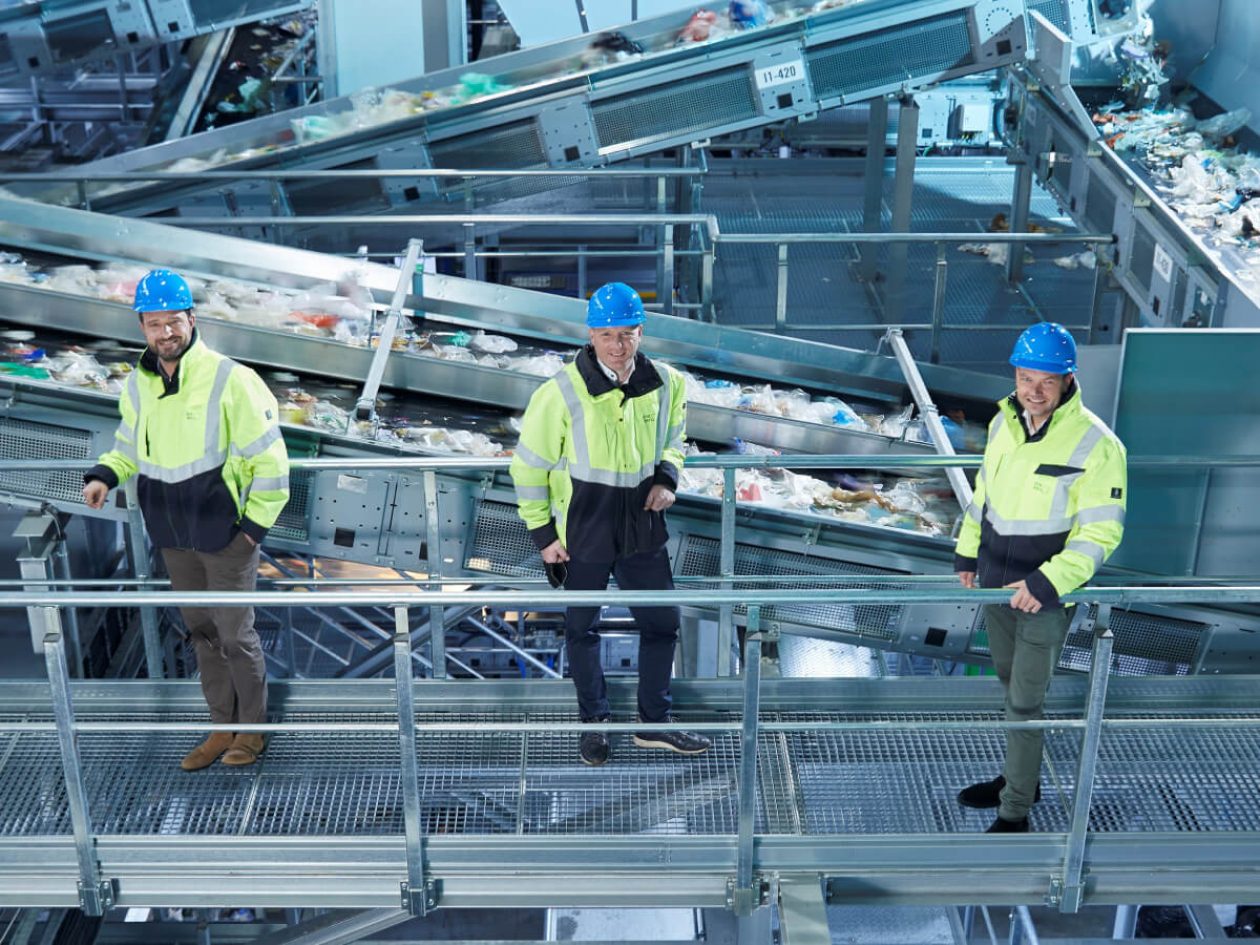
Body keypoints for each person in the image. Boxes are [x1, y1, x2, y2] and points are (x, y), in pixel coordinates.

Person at [82, 269, 289, 770]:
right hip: (173, 536)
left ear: (192, 319)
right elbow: (129, 444)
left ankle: (251, 733)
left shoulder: (232, 379)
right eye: (155, 324)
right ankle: (221, 727)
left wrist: (250, 533)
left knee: (236, 637)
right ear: (142, 327)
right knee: (203, 635)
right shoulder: (139, 383)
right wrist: (105, 475)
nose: (166, 333)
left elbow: (272, 463)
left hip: (225, 536)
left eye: (173, 321)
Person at [510, 282, 711, 766]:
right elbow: (529, 468)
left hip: (643, 524)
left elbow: (675, 438)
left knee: (662, 624)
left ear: (642, 331)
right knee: (581, 630)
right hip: (585, 526)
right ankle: (594, 724)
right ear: (591, 335)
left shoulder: (667, 383)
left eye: (626, 333)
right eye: (606, 335)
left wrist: (667, 477)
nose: (617, 345)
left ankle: (653, 724)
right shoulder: (560, 392)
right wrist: (544, 535)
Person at [954, 322, 1126, 832]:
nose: (1034, 390)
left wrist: (1046, 583)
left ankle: (1016, 811)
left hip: (1044, 598)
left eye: (1047, 380)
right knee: (1011, 691)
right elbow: (983, 496)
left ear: (1068, 380)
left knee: (1026, 704)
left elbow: (1101, 533)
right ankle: (1019, 779)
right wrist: (966, 554)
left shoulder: (1098, 444)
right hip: (996, 585)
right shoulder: (1003, 423)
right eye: (1026, 377)